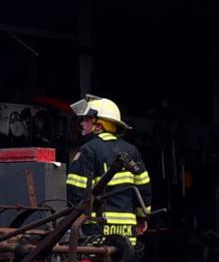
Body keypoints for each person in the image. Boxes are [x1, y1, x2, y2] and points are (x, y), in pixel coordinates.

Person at [65, 96, 153, 245]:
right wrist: (142, 217)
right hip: (127, 230)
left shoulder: (87, 150)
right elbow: (144, 188)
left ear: (98, 125)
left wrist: (78, 222)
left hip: (96, 228)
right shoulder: (132, 151)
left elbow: (75, 192)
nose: (81, 124)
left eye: (86, 119)